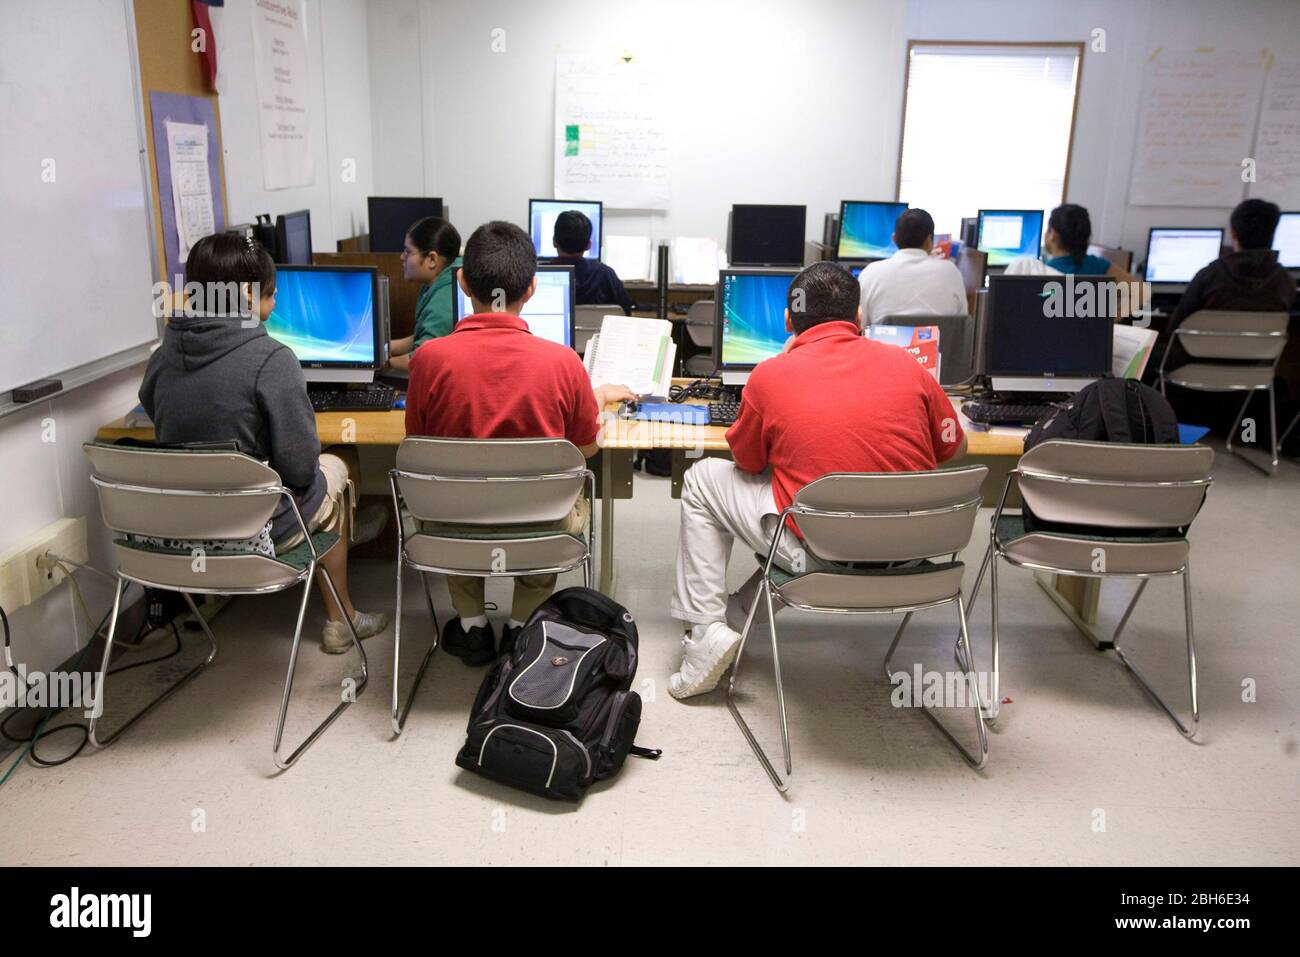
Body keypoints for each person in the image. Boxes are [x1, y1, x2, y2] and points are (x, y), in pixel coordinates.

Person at [668, 262, 967, 699]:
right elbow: (953, 450)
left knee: (701, 480)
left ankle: (704, 634)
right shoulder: (909, 366)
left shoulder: (770, 375)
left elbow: (748, 463)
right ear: (860, 316)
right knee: (803, 504)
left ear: (788, 321)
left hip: (820, 556)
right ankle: (733, 620)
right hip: (912, 557)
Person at [139, 233, 388, 654]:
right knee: (339, 461)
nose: (274, 306)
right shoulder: (272, 359)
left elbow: (153, 408)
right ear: (250, 296)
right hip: (256, 530)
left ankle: (223, 591)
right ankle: (341, 614)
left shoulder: (162, 355)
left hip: (180, 529)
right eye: (271, 295)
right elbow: (298, 469)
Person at [405, 221, 634, 664]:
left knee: (454, 492)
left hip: (451, 528)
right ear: (532, 288)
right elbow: (584, 449)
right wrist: (596, 402)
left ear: (461, 280)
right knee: (554, 498)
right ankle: (518, 629)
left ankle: (471, 627)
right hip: (541, 531)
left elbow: (417, 446)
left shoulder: (428, 361)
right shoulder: (564, 364)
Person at [1168, 198, 1296, 329]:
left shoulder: (1209, 276)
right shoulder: (1286, 281)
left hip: (1207, 349)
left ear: (1233, 233)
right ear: (1273, 233)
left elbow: (1175, 327)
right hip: (1262, 349)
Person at [857, 208, 968, 325]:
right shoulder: (951, 272)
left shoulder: (870, 273)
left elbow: (864, 326)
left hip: (884, 343)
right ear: (929, 241)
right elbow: (962, 325)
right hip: (940, 343)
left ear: (894, 239)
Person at [388, 217, 462, 370]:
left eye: (408, 252)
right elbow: (422, 336)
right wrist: (385, 348)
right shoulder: (436, 282)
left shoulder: (445, 299)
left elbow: (422, 359)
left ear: (432, 259)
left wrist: (378, 364)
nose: (402, 257)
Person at [551, 210, 634, 315]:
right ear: (588, 245)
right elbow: (626, 312)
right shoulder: (606, 274)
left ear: (554, 242)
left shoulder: (537, 275)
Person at [1039, 203, 1136, 281]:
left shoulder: (1043, 272)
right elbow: (1141, 292)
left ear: (1052, 234)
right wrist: (1118, 306)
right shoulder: (1098, 265)